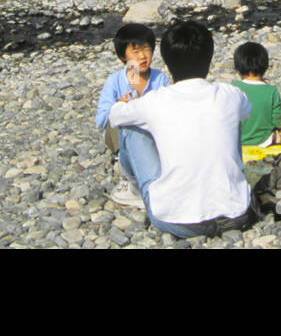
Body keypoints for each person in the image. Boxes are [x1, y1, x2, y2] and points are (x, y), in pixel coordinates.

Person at [108, 20, 259, 238]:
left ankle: (133, 188)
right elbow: (246, 111)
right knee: (233, 118)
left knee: (130, 126)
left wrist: (123, 103)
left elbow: (115, 116)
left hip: (178, 221)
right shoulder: (229, 94)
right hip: (237, 214)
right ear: (209, 57)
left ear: (168, 62)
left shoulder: (155, 100)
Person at [95, 22, 170, 206]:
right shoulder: (115, 81)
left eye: (146, 49)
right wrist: (119, 105)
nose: (143, 56)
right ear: (123, 56)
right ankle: (129, 176)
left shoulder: (160, 78)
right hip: (123, 138)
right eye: (135, 52)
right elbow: (101, 119)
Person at [230, 42, 281, 148]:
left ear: (238, 69)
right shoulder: (271, 91)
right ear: (265, 67)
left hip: (236, 139)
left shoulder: (233, 88)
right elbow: (278, 121)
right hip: (264, 141)